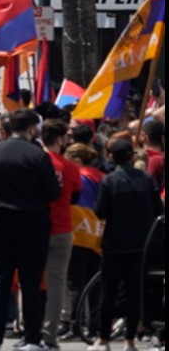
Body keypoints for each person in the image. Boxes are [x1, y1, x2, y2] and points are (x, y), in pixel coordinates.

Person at [0, 109, 60, 351]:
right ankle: (31, 339)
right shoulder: (38, 155)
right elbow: (53, 193)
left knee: (0, 280)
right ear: (31, 129)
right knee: (31, 283)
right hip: (32, 225)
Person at [90, 138, 161, 351]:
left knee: (108, 293)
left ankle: (103, 339)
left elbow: (100, 212)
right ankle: (129, 340)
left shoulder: (109, 181)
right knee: (133, 294)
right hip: (141, 245)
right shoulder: (147, 180)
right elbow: (157, 209)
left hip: (115, 245)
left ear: (112, 157)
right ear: (132, 156)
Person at [37, 120, 81, 346]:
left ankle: (29, 331)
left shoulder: (33, 163)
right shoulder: (70, 167)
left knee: (30, 280)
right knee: (56, 284)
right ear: (59, 139)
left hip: (35, 229)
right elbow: (76, 196)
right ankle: (49, 335)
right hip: (61, 229)